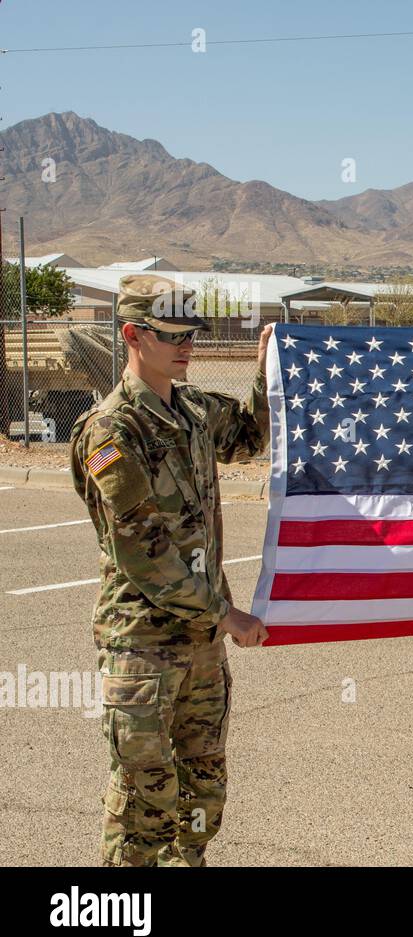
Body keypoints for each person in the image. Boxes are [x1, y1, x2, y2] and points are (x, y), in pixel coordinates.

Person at [69, 274, 272, 866]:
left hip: (202, 647)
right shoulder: (111, 431)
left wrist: (267, 369)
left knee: (203, 794)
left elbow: (251, 435)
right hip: (144, 646)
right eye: (172, 335)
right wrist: (225, 613)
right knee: (144, 806)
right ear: (133, 335)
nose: (187, 345)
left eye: (193, 333)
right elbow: (143, 549)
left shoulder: (193, 409)